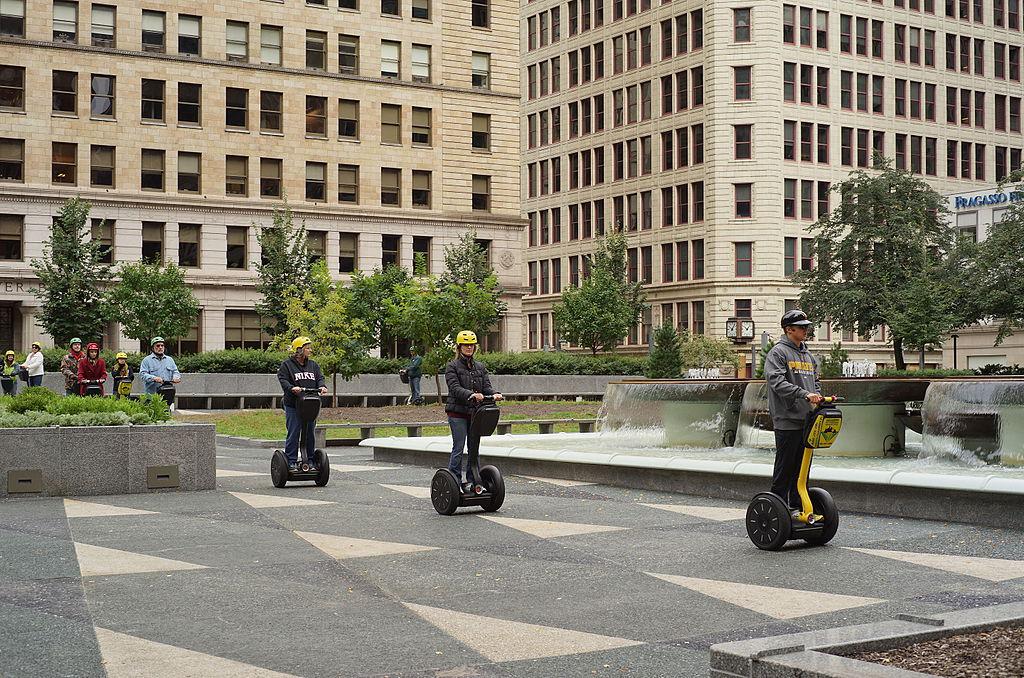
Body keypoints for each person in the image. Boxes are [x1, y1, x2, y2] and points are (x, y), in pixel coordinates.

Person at [764, 309, 823, 513]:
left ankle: (799, 508)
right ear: (789, 329)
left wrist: (818, 398)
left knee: (802, 470)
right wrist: (804, 394)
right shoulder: (778, 353)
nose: (806, 330)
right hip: (787, 419)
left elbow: (815, 382)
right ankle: (777, 510)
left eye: (807, 327)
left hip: (807, 420)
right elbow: (776, 382)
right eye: (802, 327)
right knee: (785, 469)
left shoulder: (808, 356)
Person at [444, 330, 503, 491]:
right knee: (459, 447)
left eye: (471, 345)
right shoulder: (452, 367)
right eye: (466, 345)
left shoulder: (480, 367)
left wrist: (494, 394)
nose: (469, 347)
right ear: (459, 347)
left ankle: (472, 481)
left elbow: (486, 387)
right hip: (457, 413)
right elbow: (455, 388)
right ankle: (455, 482)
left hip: (475, 413)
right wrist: (471, 394)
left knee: (474, 447)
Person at [277, 336, 328, 471]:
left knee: (309, 432)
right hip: (293, 405)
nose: (310, 350)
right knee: (294, 432)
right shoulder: (287, 365)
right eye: (307, 348)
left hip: (310, 405)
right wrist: (291, 388)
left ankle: (310, 461)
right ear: (299, 350)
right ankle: (291, 461)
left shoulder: (313, 365)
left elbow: (320, 378)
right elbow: (283, 379)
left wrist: (322, 386)